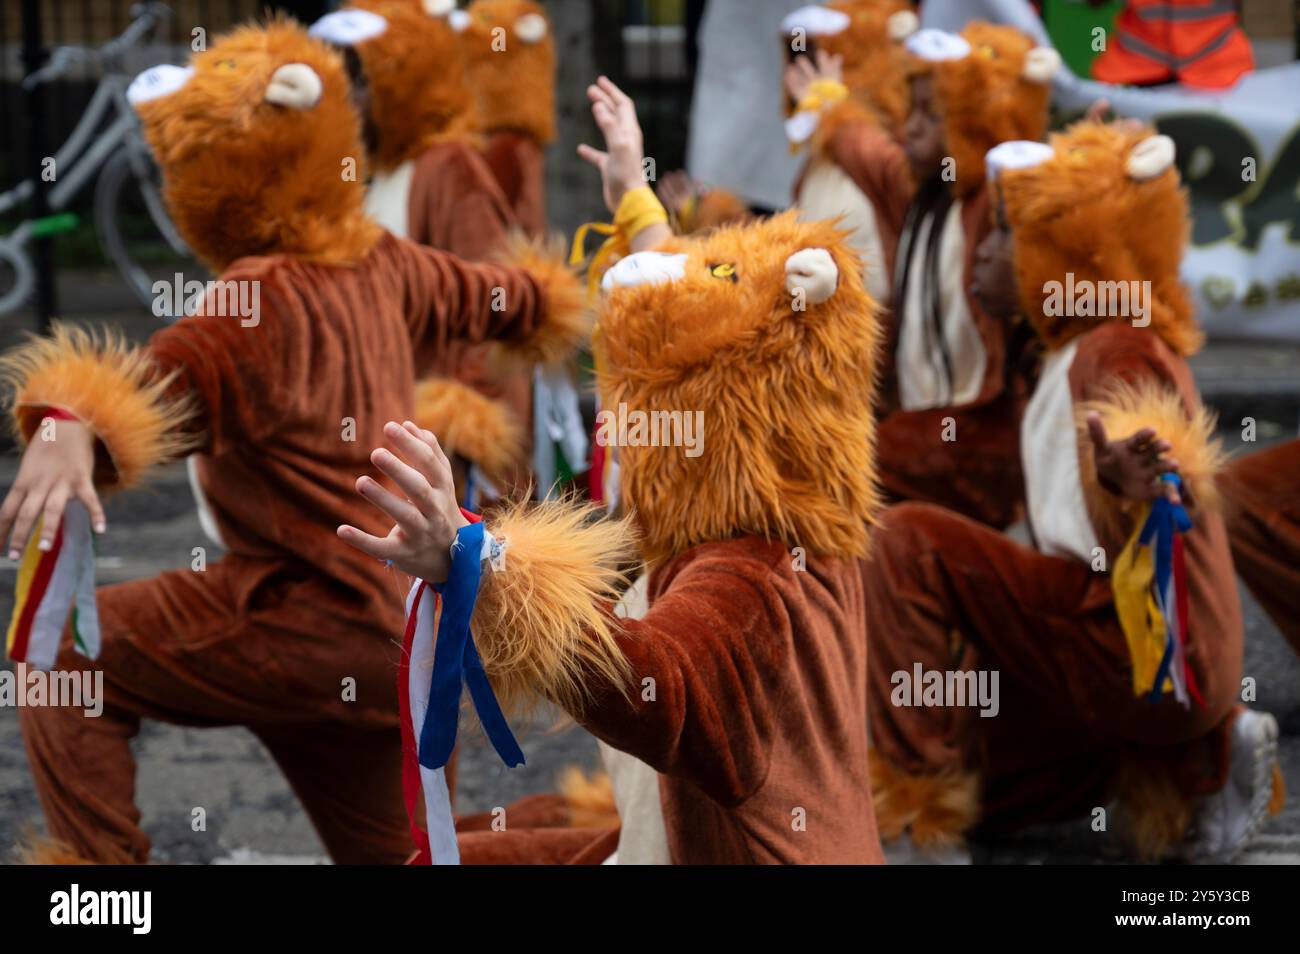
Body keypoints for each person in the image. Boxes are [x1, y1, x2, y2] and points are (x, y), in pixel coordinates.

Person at [1, 18, 586, 864]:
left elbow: (156, 388)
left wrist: (69, 421)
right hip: (401, 643)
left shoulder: (258, 295)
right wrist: (563, 292)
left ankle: (96, 895)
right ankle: (614, 844)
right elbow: (506, 299)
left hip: (306, 618)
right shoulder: (384, 261)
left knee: (61, 653)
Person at [340, 77, 888, 864]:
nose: (622, 429)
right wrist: (636, 200)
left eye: (643, 401)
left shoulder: (746, 575)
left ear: (705, 425)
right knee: (476, 842)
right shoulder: (775, 515)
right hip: (675, 838)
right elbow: (708, 314)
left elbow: (654, 684)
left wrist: (479, 570)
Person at [865, 121, 1282, 863]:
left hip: (1139, 652)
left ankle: (914, 826)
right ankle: (1197, 771)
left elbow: (1162, 460)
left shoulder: (1112, 346)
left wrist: (1133, 490)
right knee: (983, 770)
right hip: (1125, 665)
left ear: (1067, 253)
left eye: (1007, 234)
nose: (986, 250)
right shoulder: (1059, 349)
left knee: (906, 545)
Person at [785, 24, 1060, 529]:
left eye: (931, 116)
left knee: (837, 468)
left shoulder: (990, 205)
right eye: (910, 111)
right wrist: (829, 105)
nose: (909, 128)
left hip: (976, 423)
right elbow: (866, 152)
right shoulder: (919, 190)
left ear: (974, 126)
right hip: (918, 417)